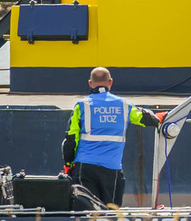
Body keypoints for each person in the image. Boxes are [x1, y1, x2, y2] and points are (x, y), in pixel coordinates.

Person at [62, 67, 160, 206]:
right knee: (110, 214)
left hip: (85, 168)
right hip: (112, 170)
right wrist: (159, 118)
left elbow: (71, 139)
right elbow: (146, 119)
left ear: (90, 83)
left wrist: (68, 165)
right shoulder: (124, 105)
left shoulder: (81, 106)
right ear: (110, 82)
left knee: (85, 211)